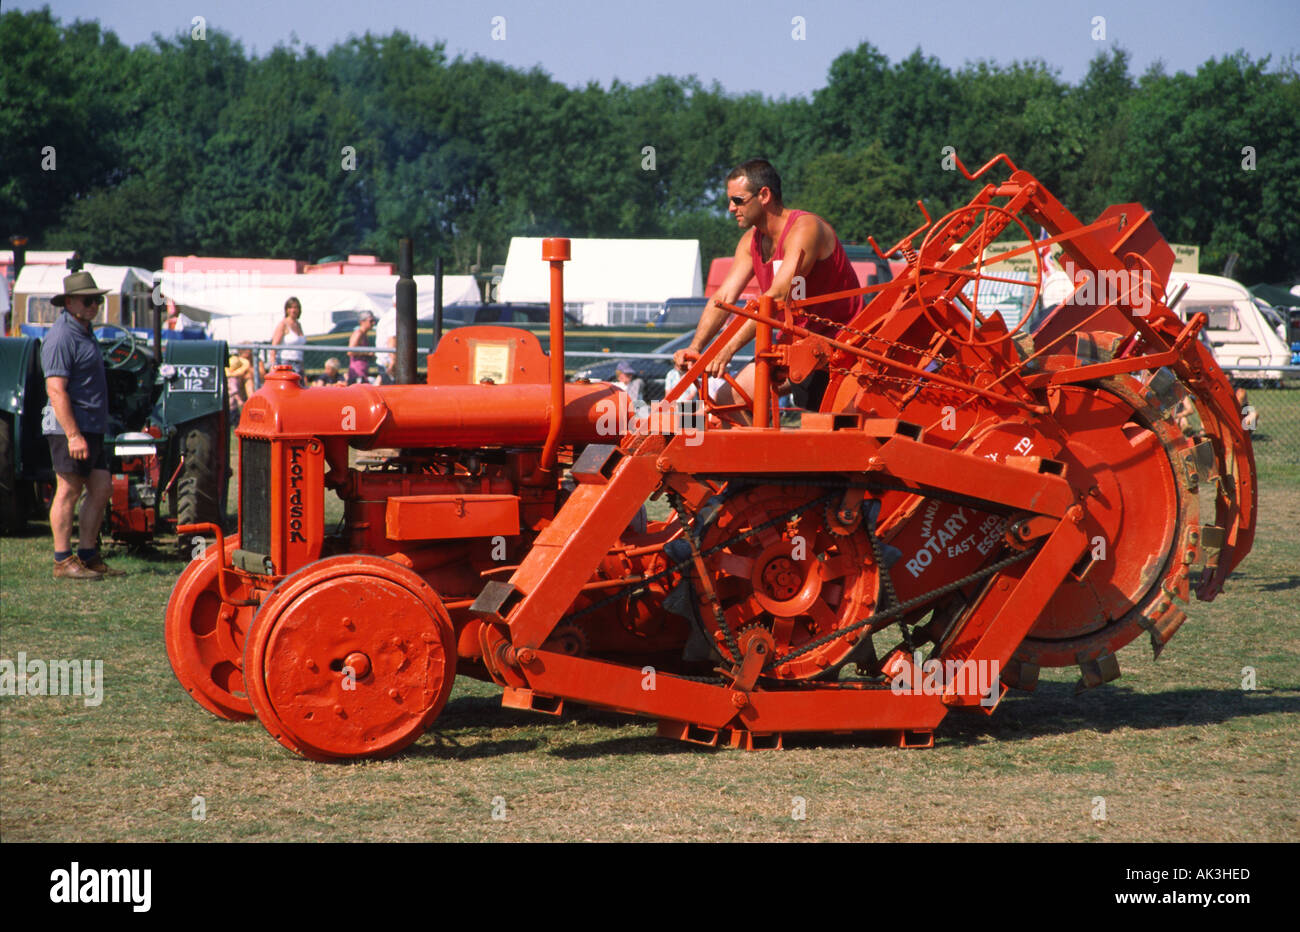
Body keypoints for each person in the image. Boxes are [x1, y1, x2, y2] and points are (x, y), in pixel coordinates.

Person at [673, 159, 863, 416]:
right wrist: (695, 348)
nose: (731, 208)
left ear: (764, 195)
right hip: (794, 350)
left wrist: (726, 348)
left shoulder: (806, 229)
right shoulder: (750, 241)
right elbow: (723, 297)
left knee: (833, 438)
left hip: (841, 350)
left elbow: (776, 298)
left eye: (738, 200)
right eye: (729, 201)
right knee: (727, 401)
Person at [39, 271, 123, 579]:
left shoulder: (84, 332)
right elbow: (56, 389)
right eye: (88, 300)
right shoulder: (61, 337)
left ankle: (87, 555)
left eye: (98, 300)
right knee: (69, 488)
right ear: (70, 302)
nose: (95, 306)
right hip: (69, 427)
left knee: (101, 487)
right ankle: (62, 559)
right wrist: (73, 435)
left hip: (91, 425)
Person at [270, 296, 306, 381]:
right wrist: (272, 365)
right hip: (286, 362)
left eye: (296, 307)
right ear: (287, 309)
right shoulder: (283, 324)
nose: (293, 310)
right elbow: (274, 346)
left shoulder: (298, 324)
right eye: (290, 307)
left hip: (299, 362)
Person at [225, 349, 255, 426]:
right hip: (232, 406)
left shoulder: (228, 379)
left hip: (229, 405)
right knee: (236, 422)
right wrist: (239, 401)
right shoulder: (233, 380)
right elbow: (234, 391)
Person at [347, 310, 377, 383]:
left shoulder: (364, 334)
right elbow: (350, 352)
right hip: (357, 373)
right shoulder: (358, 333)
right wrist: (367, 353)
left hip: (363, 372)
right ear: (362, 322)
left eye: (374, 320)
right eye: (371, 321)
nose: (373, 323)